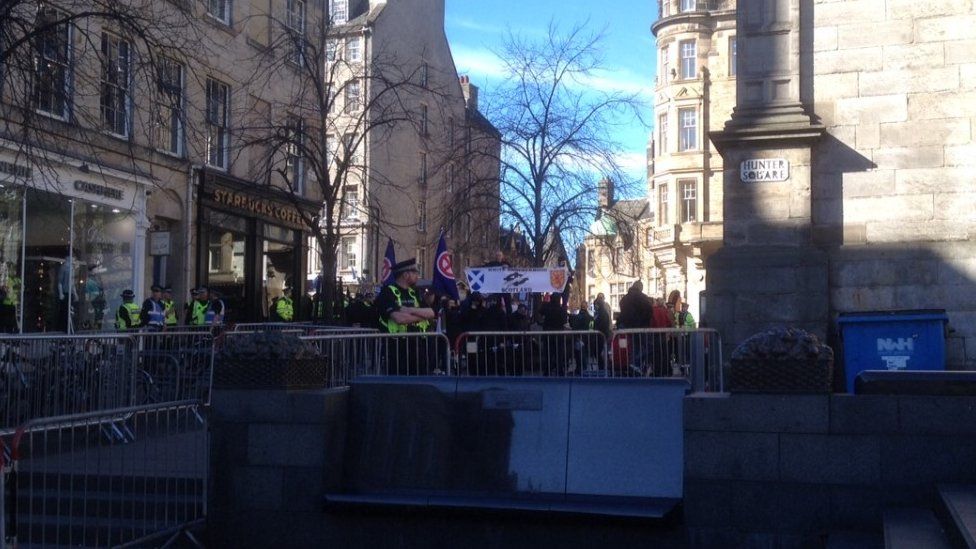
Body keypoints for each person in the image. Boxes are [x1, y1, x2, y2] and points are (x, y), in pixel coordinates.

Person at [375, 259, 437, 374]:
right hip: (397, 348)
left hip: (418, 347)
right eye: (415, 273)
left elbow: (431, 313)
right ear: (405, 274)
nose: (417, 276)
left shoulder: (414, 293)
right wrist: (421, 315)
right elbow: (399, 318)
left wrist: (410, 310)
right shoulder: (387, 292)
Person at [592, 293, 612, 370]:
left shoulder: (603, 312)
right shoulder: (598, 312)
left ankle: (604, 366)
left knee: (602, 351)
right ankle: (603, 366)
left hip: (602, 334)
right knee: (599, 351)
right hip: (600, 334)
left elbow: (604, 322)